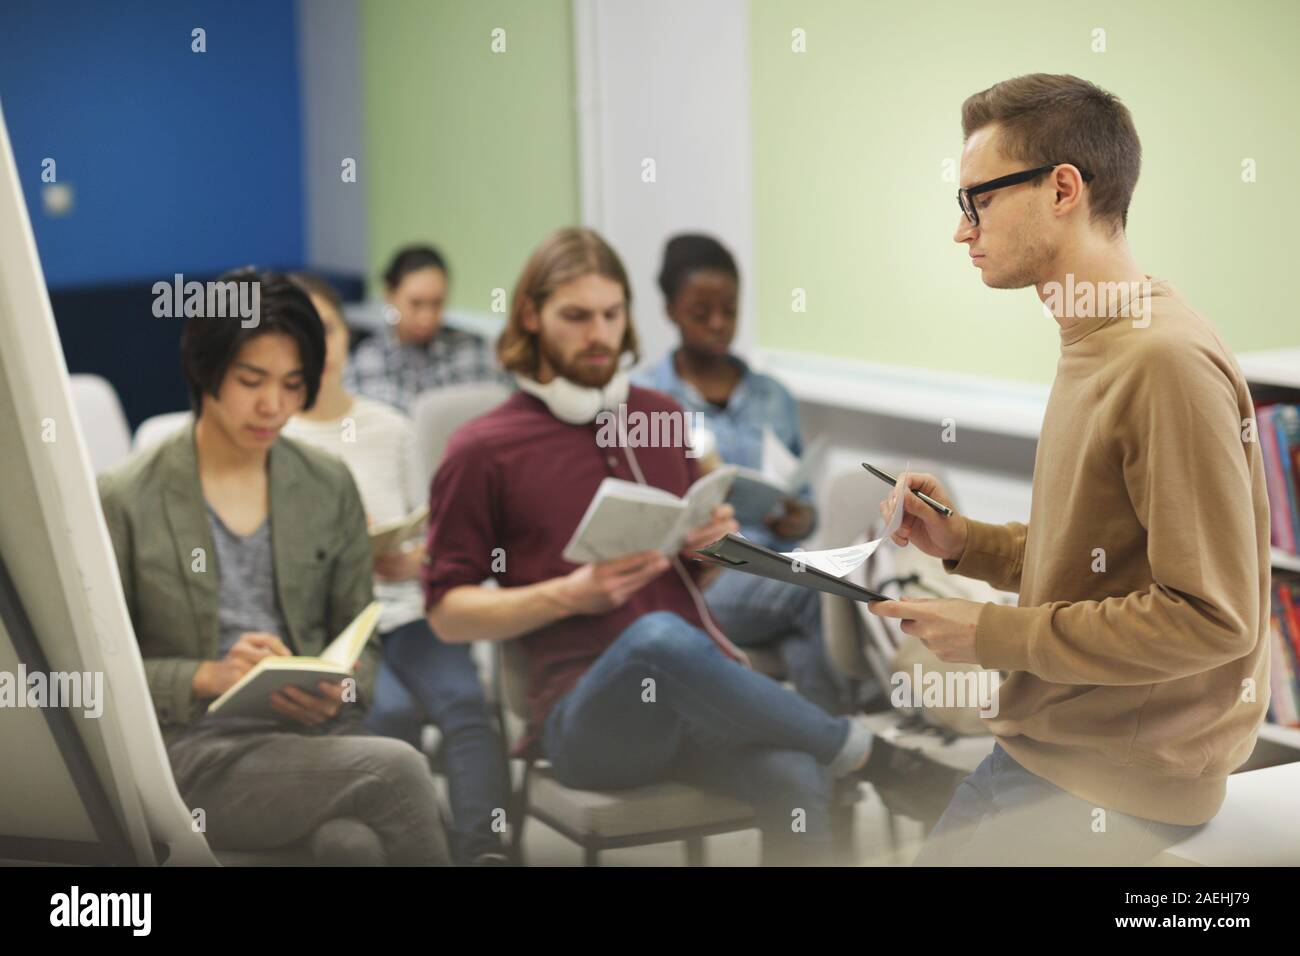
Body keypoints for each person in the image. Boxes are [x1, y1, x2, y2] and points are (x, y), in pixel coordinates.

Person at [421, 227, 955, 865]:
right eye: (577, 317)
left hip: (691, 700)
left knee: (794, 775)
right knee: (656, 640)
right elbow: (447, 614)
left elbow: (684, 584)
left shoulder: (658, 420)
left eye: (612, 316)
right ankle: (877, 757)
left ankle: (856, 759)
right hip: (585, 719)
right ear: (531, 315)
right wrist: (569, 594)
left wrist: (706, 554)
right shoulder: (484, 448)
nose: (599, 335)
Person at [867, 74, 1271, 866]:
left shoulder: (1162, 360)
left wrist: (995, 635)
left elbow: (1213, 617)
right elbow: (1103, 562)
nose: (963, 231)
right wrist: (964, 543)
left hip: (1110, 787)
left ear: (1061, 189)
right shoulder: (1096, 335)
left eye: (975, 200)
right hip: (1043, 756)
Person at [98, 269, 450, 865]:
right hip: (190, 754)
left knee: (353, 846)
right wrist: (208, 676)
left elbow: (361, 639)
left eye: (292, 385)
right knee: (399, 771)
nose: (273, 405)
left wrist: (336, 690)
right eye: (251, 380)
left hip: (311, 741)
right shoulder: (127, 496)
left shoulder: (325, 482)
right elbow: (104, 674)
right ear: (206, 370)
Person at [283, 272, 512, 866]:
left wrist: (409, 560)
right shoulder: (274, 437)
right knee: (389, 716)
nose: (315, 345)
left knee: (467, 705)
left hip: (408, 608)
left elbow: (430, 534)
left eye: (326, 329)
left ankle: (483, 851)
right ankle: (425, 848)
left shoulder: (391, 426)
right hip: (337, 625)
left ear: (344, 336)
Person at [633, 233, 852, 714]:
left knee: (801, 629)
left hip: (773, 563)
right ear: (670, 310)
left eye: (729, 310)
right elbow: (642, 516)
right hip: (701, 577)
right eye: (701, 312)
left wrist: (798, 519)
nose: (719, 324)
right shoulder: (645, 400)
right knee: (812, 594)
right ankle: (853, 741)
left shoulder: (773, 396)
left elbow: (807, 510)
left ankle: (828, 759)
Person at [346, 244, 508, 413]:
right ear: (390, 295)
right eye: (416, 304)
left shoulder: (477, 352)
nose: (427, 317)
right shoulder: (363, 364)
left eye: (437, 303)